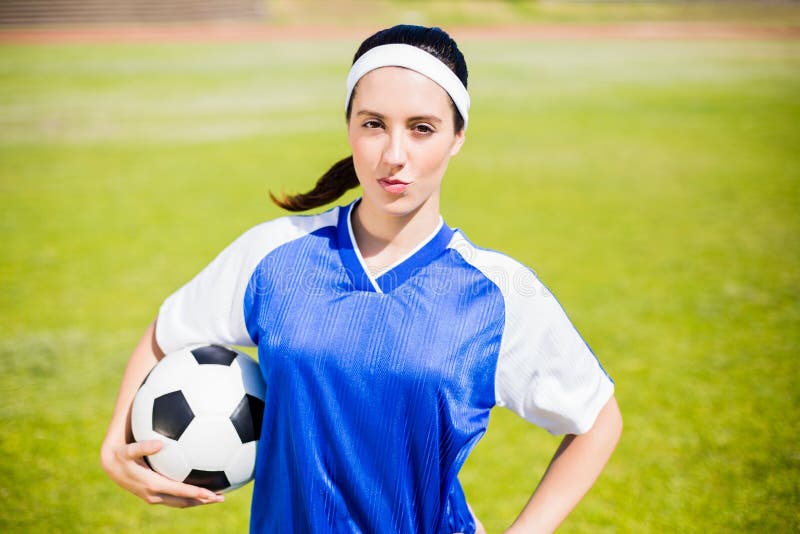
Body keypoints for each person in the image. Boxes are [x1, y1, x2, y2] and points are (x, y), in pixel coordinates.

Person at [101, 24, 622, 534]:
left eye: (422, 128)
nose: (394, 155)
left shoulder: (498, 294)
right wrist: (116, 439)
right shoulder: (275, 253)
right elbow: (168, 332)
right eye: (374, 124)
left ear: (458, 136)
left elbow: (597, 420)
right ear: (349, 125)